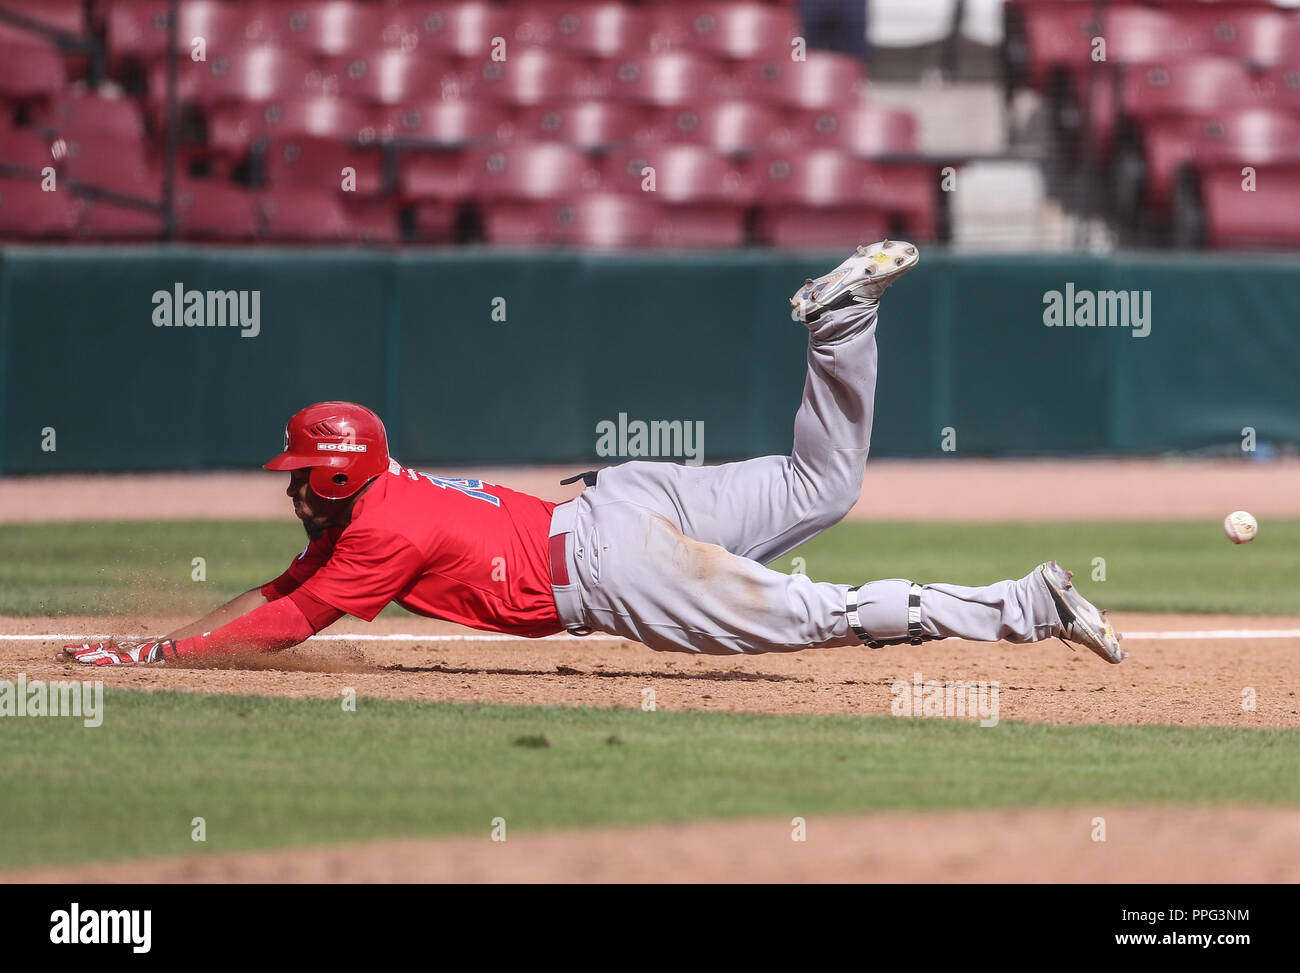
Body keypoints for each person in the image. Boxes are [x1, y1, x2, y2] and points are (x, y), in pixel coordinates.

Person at [64, 240, 1123, 667]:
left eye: (300, 472)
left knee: (822, 615)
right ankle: (841, 325)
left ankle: (1027, 604)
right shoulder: (385, 502)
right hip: (623, 505)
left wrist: (162, 658)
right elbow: (274, 588)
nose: (293, 488)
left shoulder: (376, 531)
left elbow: (293, 616)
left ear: (335, 475)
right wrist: (159, 647)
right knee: (822, 483)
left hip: (614, 567)